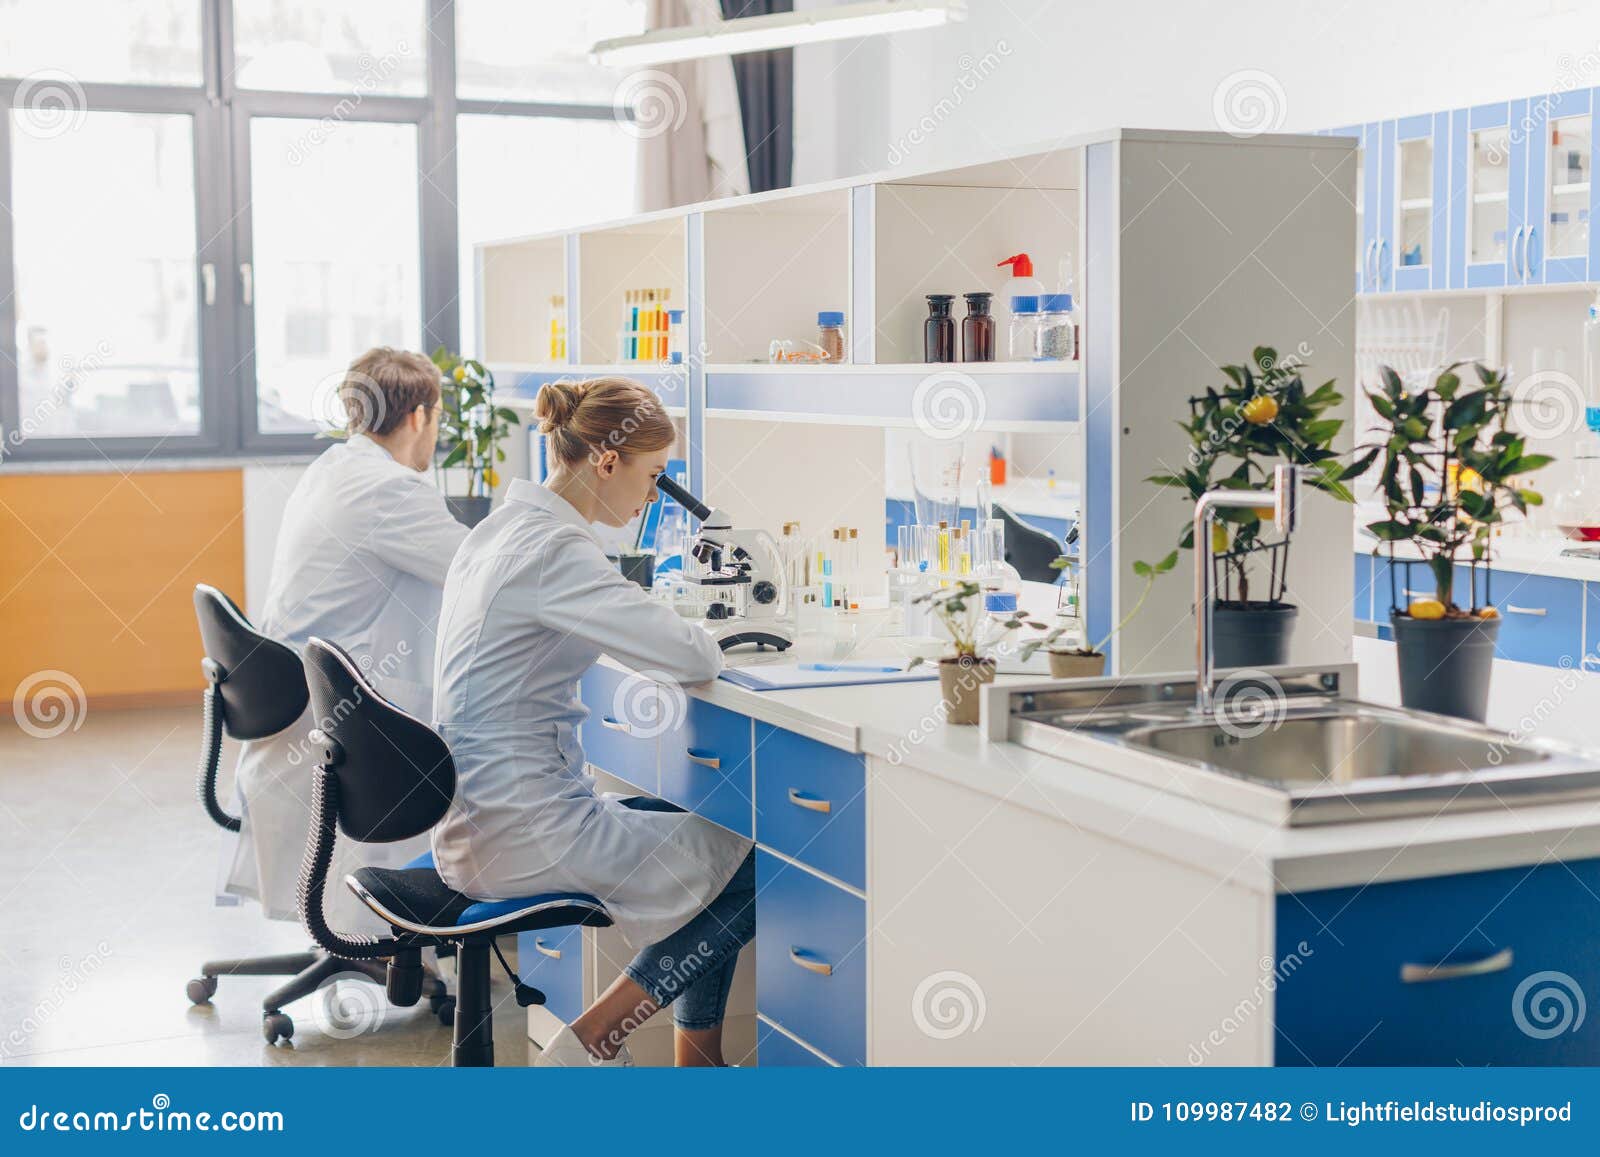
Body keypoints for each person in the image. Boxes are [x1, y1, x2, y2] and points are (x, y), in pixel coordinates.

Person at [431, 377, 754, 1068]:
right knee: (759, 857)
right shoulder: (555, 550)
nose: (651, 495)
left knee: (703, 822)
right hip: (523, 830)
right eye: (654, 474)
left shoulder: (500, 528)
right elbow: (691, 654)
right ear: (608, 461)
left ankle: (697, 1060)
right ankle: (603, 1033)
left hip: (477, 817)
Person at [225, 348, 468, 929]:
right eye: (438, 416)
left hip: (298, 707)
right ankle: (430, 915)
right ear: (418, 417)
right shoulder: (390, 490)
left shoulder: (336, 468)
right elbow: (478, 570)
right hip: (336, 722)